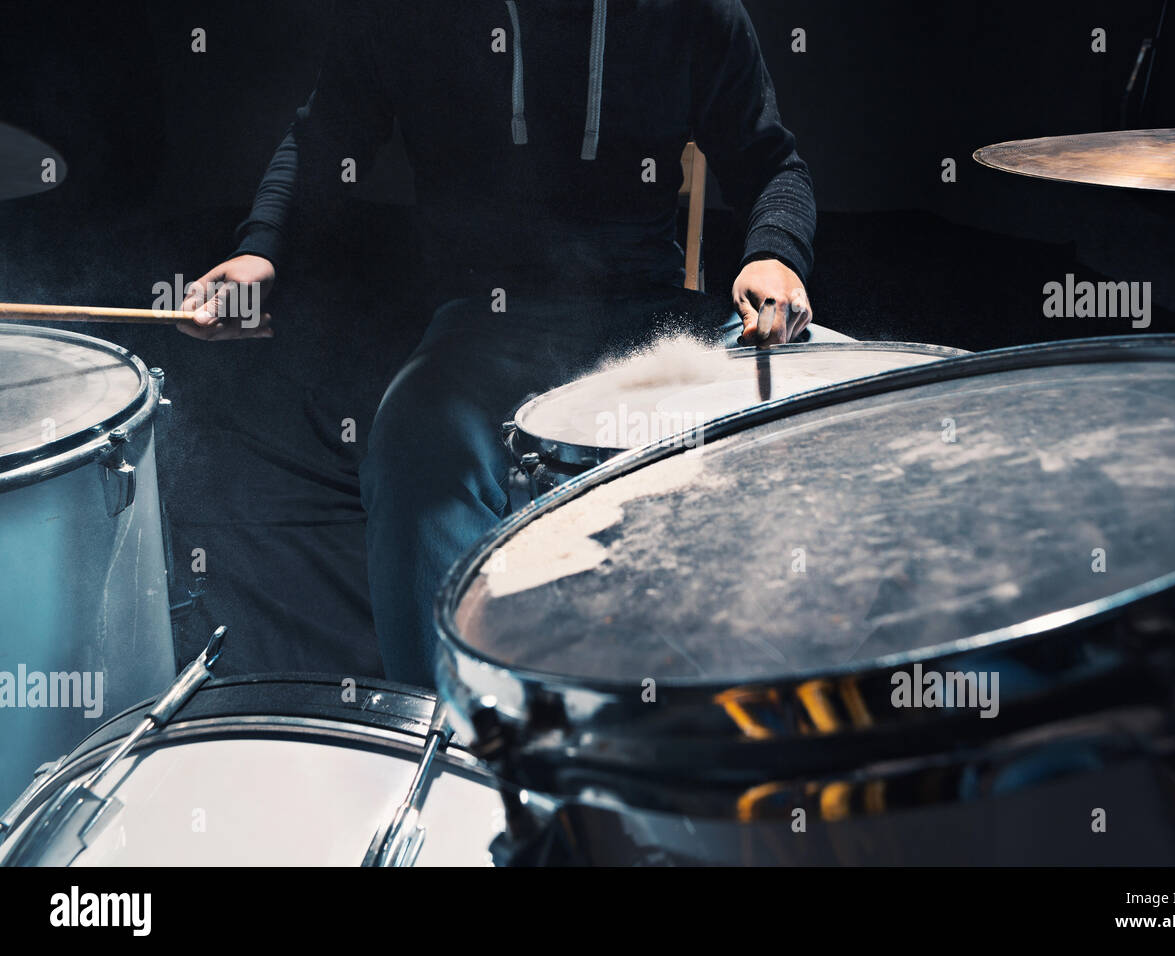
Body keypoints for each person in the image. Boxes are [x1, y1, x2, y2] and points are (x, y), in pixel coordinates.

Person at [180, 0, 817, 686]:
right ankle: (452, 744)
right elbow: (325, 138)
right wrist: (261, 252)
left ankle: (767, 735)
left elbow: (773, 165)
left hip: (651, 316)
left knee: (835, 404)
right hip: (486, 321)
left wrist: (774, 255)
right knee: (413, 450)